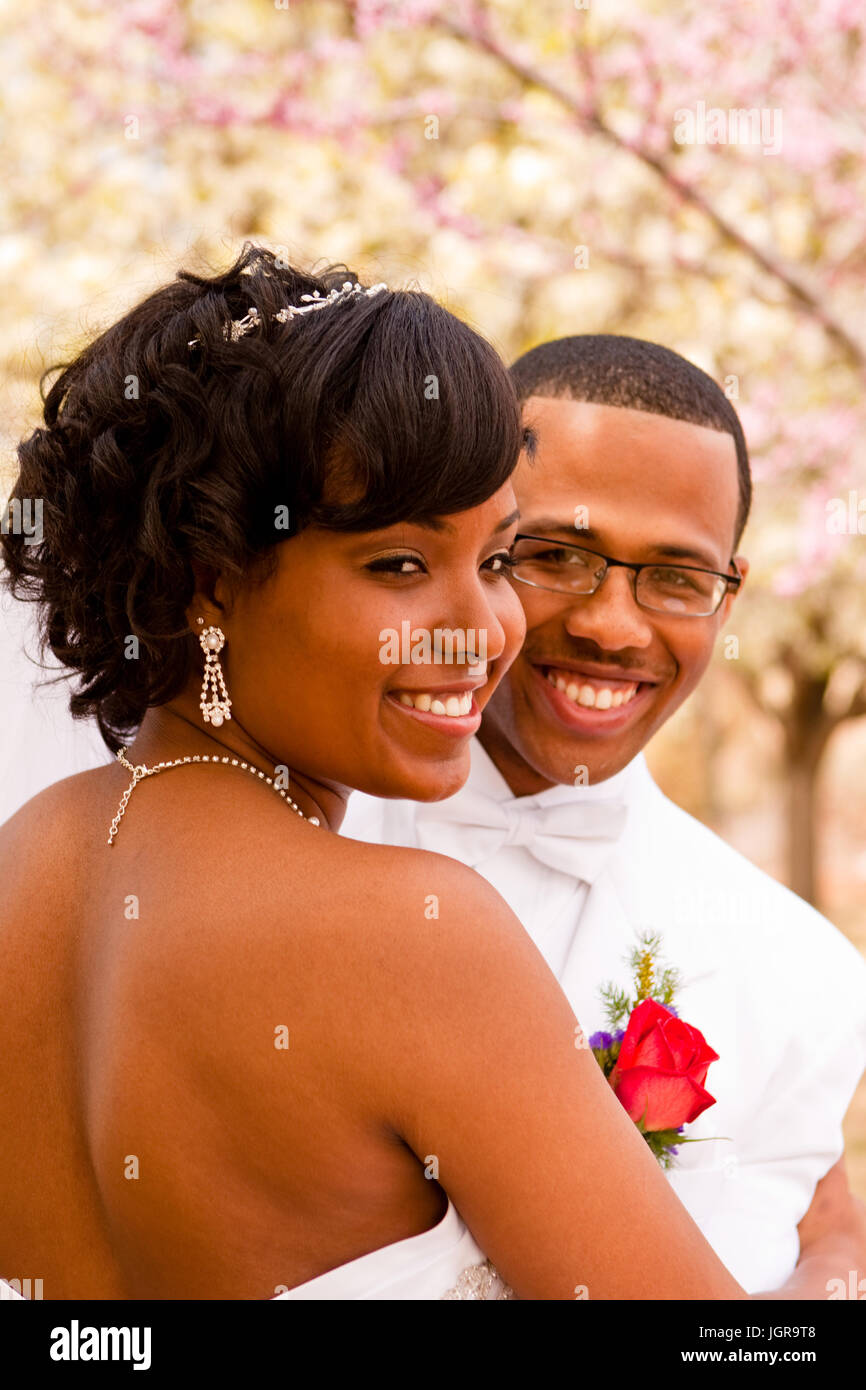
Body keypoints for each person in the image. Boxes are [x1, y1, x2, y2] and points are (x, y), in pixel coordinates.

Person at [339, 334, 866, 1295]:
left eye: (677, 577)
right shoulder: (266, 845)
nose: (612, 626)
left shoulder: (802, 980)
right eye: (557, 554)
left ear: (730, 594)